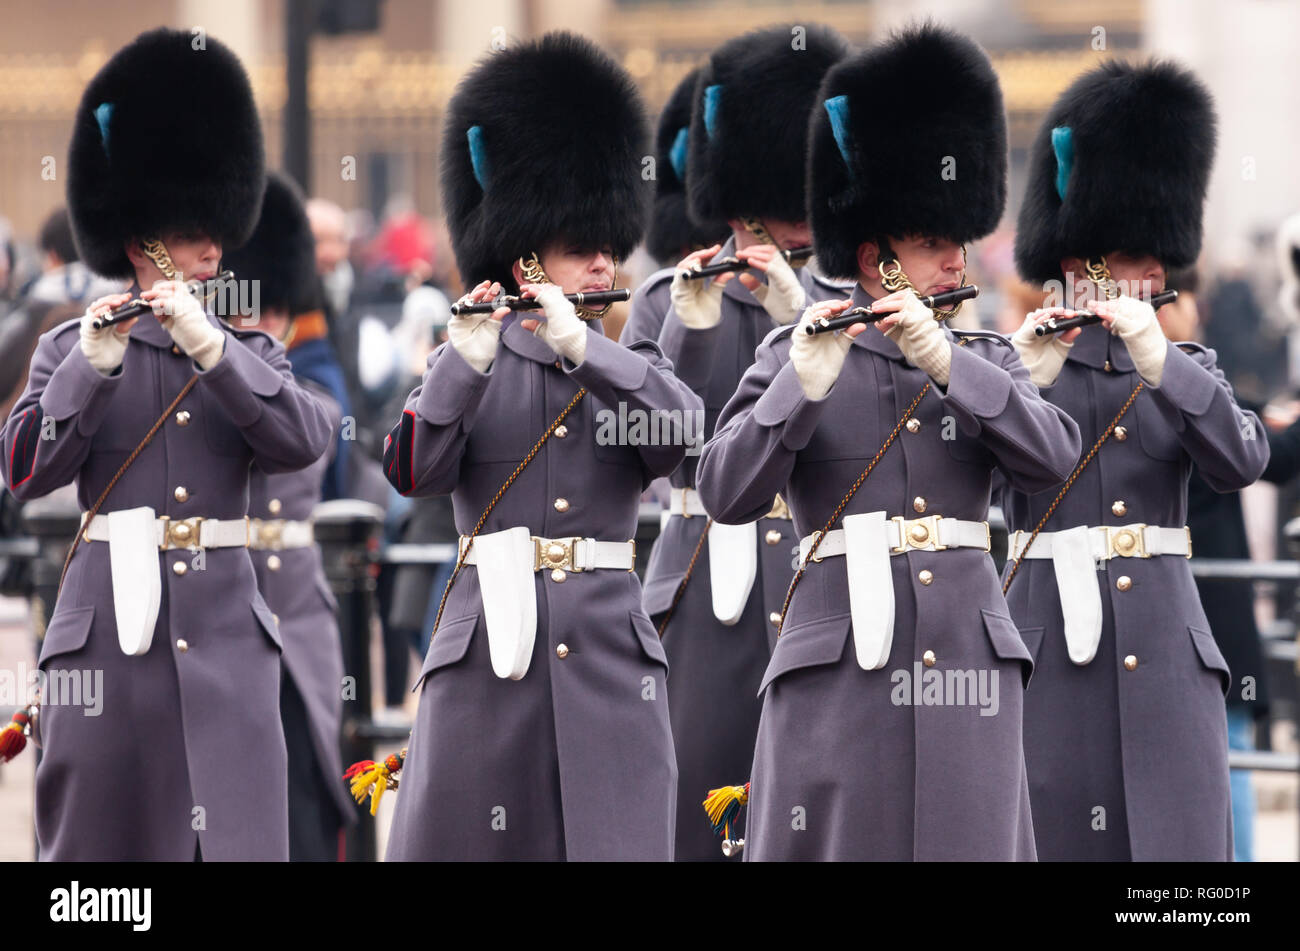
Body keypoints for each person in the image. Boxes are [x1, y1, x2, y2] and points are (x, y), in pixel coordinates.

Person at [694, 23, 1080, 861]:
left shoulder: (981, 357)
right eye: (933, 243)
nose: (956, 259)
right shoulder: (795, 350)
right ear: (877, 255)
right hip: (841, 666)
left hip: (966, 664)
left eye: (957, 241)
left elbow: (1051, 465)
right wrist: (802, 382)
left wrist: (954, 368)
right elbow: (724, 491)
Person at [368, 31, 701, 861]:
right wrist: (463, 363)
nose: (599, 264)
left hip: (606, 653)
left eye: (604, 248)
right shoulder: (468, 356)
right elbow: (412, 470)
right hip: (489, 651)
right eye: (578, 249)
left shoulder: (627, 360)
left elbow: (682, 433)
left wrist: (590, 350)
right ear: (525, 251)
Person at [0, 28, 333, 860]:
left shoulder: (246, 351)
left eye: (214, 230)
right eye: (191, 233)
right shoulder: (68, 347)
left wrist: (217, 353)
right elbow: (24, 470)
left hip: (224, 637)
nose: (214, 248)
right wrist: (91, 366)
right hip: (109, 641)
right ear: (143, 236)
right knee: (101, 862)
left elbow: (305, 436)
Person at [1005, 59, 1269, 861]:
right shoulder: (1023, 361)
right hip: (1055, 646)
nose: (1150, 275)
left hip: (1165, 652)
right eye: (1128, 256)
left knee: (1178, 864)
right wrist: (1017, 380)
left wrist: (1169, 365)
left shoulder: (1187, 363)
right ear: (1080, 259)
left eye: (1156, 258)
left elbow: (1240, 459)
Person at [619, 22, 850, 861]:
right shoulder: (665, 297)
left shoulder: (843, 294)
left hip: (819, 579)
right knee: (694, 818)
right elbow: (657, 444)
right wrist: (691, 328)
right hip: (702, 575)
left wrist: (802, 318)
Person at [220, 170, 355, 861]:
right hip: (223, 618)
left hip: (298, 616)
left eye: (274, 309)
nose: (264, 322)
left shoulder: (306, 397)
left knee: (306, 794)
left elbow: (313, 437)